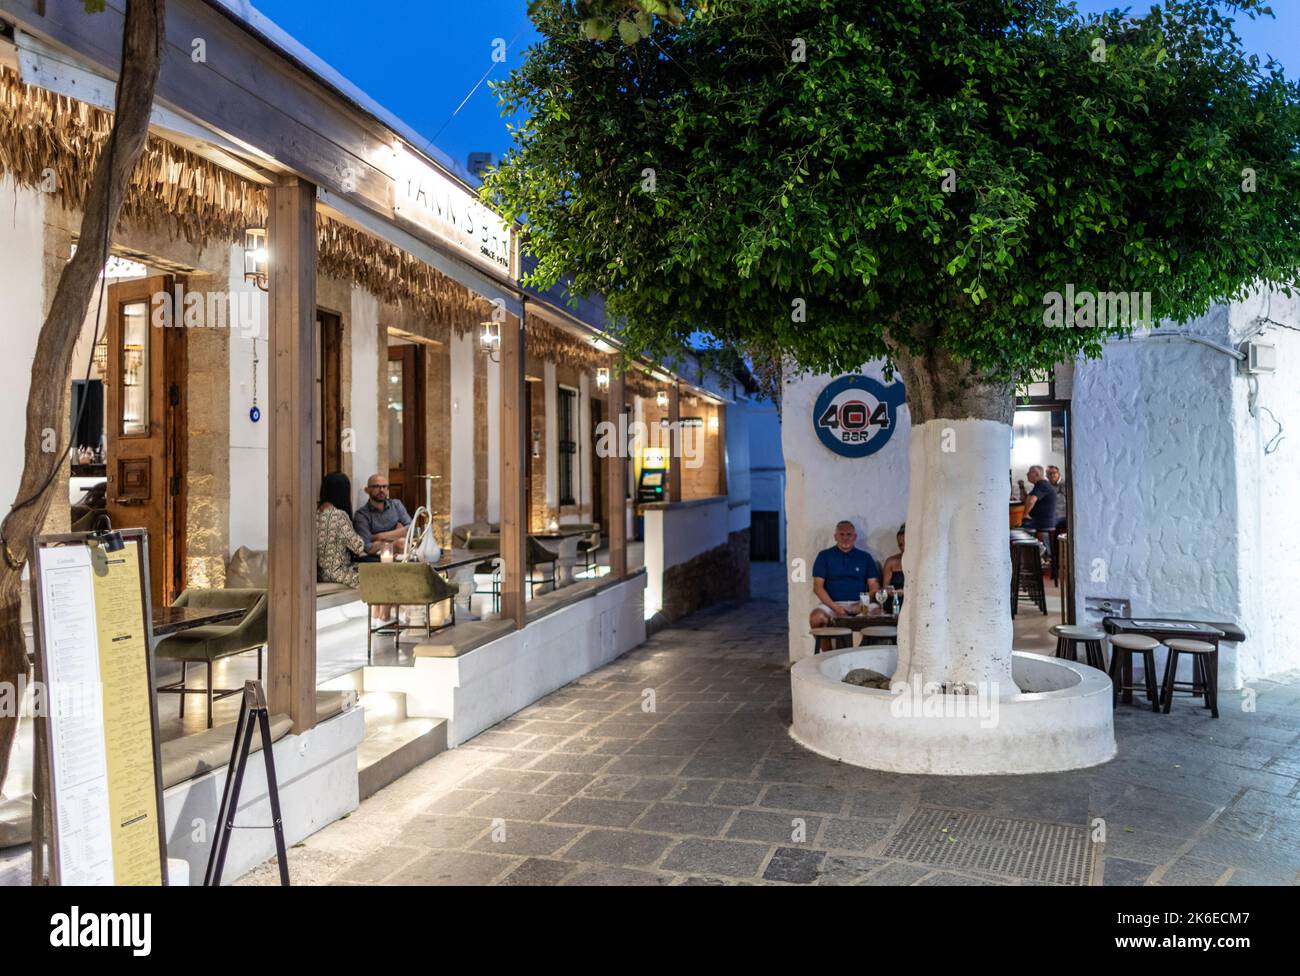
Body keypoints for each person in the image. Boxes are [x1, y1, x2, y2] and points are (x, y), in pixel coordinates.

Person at [809, 520, 880, 628]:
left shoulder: (865, 557)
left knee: (879, 615)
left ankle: (864, 645)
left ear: (855, 536)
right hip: (832, 604)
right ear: (835, 537)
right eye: (841, 534)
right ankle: (826, 646)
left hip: (860, 604)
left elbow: (874, 588)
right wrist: (836, 608)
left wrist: (860, 604)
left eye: (849, 534)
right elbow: (817, 587)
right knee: (816, 618)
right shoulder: (824, 556)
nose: (845, 538)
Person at [317, 472, 366, 587]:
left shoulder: (315, 513)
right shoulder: (338, 515)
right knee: (378, 579)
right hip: (337, 574)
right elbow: (358, 547)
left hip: (319, 573)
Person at [353, 474, 411, 556]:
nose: (381, 490)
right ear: (367, 490)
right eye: (377, 486)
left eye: (384, 486)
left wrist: (379, 537)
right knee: (401, 543)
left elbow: (412, 530)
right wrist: (397, 537)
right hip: (375, 559)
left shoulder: (396, 505)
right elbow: (367, 547)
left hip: (400, 556)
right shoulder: (361, 515)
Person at [1019, 465, 1057, 534]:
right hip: (1040, 522)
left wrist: (1025, 514)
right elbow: (1025, 499)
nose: (1027, 474)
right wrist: (1021, 487)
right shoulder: (1039, 485)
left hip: (1041, 524)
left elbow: (1031, 500)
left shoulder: (1042, 484)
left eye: (1029, 472)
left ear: (1037, 474)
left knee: (1015, 531)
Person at [880, 524, 906, 590]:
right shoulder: (891, 562)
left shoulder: (921, 562)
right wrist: (894, 593)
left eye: (906, 543)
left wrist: (904, 592)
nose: (903, 547)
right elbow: (885, 589)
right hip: (894, 598)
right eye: (900, 545)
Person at [1046, 464, 1068, 529]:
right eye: (1049, 473)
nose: (1052, 475)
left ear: (1058, 474)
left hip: (1063, 515)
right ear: (1046, 475)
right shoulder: (1047, 485)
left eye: (1054, 473)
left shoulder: (1065, 484)